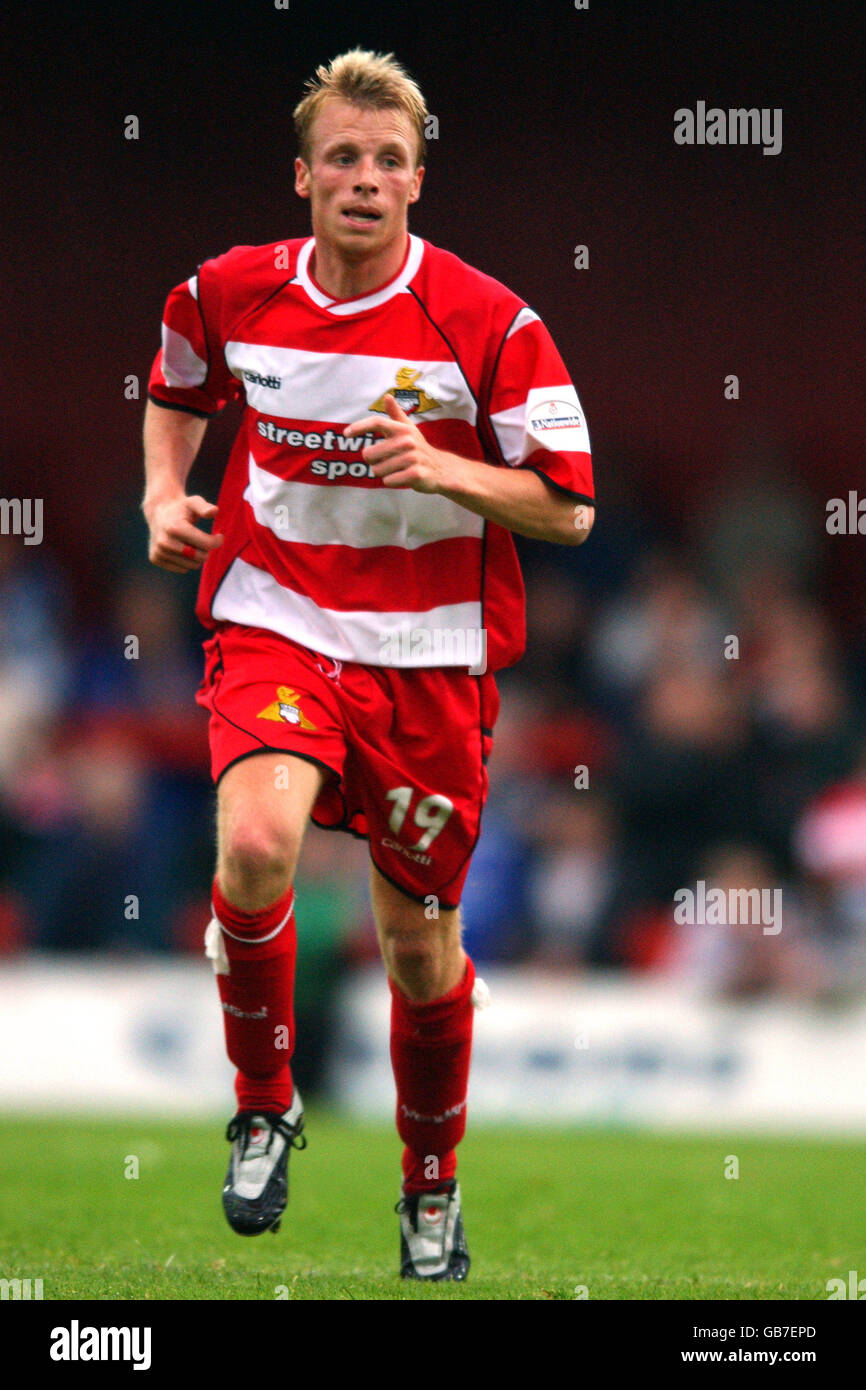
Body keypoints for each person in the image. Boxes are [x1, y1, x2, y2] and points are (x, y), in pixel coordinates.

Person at [142, 48, 594, 1282]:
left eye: (387, 160)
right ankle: (262, 1102)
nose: (362, 178)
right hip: (276, 617)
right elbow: (177, 376)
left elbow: (568, 511)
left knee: (416, 949)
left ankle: (429, 1187)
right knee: (251, 846)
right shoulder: (234, 290)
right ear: (303, 176)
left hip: (428, 657)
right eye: (341, 156)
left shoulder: (489, 322)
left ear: (416, 183)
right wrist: (160, 491)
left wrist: (446, 468)